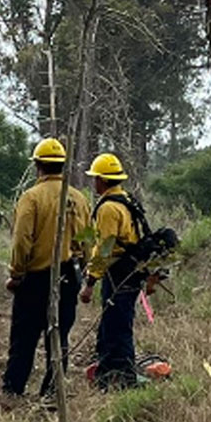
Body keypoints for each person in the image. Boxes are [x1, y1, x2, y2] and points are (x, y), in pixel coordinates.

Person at [4, 138, 93, 402]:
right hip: (69, 277)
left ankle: (13, 391)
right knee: (59, 337)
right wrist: (85, 273)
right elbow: (88, 242)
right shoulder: (79, 198)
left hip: (35, 280)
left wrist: (16, 274)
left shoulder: (31, 198)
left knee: (24, 339)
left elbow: (22, 240)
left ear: (38, 166)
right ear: (61, 165)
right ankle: (52, 393)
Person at [80, 152, 143, 389]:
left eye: (95, 178)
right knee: (112, 325)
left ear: (103, 180)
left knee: (117, 328)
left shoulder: (108, 208)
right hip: (130, 270)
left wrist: (89, 283)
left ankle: (127, 382)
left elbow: (104, 248)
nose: (93, 182)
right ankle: (105, 377)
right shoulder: (127, 200)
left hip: (117, 273)